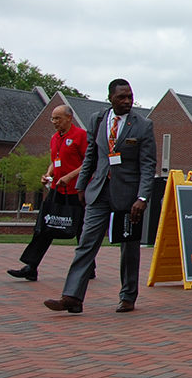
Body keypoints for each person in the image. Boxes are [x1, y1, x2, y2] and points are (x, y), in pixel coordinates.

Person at [44, 79, 156, 314]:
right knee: (86, 243)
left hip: (129, 196)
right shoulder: (97, 120)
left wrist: (143, 198)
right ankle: (72, 296)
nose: (127, 101)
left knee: (129, 247)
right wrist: (82, 186)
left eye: (130, 96)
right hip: (99, 192)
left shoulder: (143, 125)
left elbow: (148, 165)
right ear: (110, 98)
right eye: (121, 97)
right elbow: (91, 157)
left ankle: (127, 296)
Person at [8, 105, 90, 281]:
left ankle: (88, 267)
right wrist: (48, 174)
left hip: (77, 191)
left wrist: (69, 177)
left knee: (81, 229)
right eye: (52, 119)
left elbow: (89, 163)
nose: (54, 122)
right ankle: (31, 266)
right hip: (57, 189)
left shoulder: (81, 136)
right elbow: (55, 160)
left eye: (58, 118)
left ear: (69, 118)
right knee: (45, 225)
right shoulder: (54, 138)